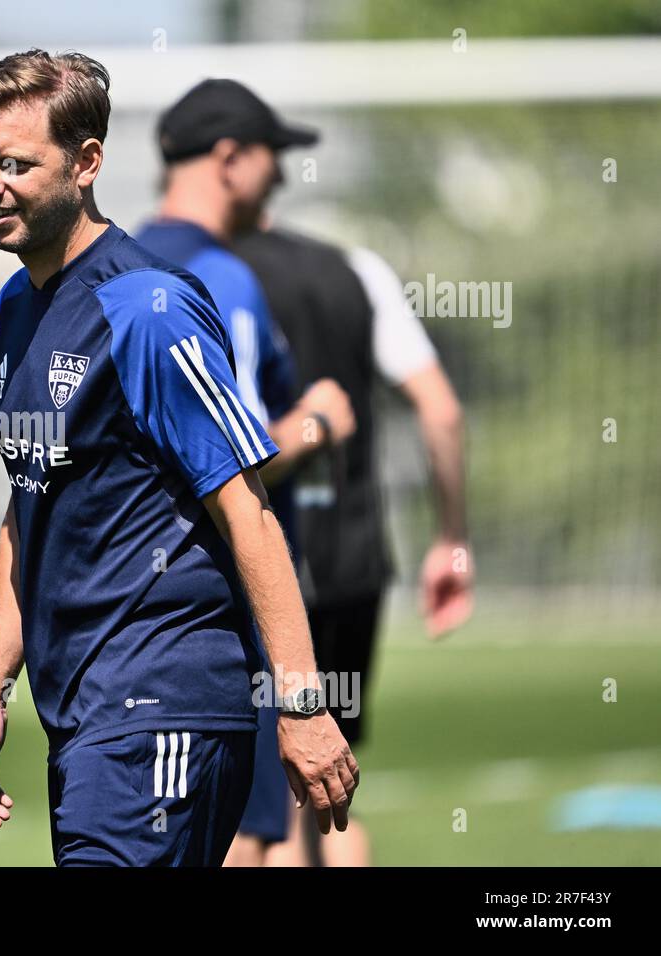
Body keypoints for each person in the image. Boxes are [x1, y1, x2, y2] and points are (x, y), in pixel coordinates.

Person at [0, 49, 357, 867]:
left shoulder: (148, 307)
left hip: (163, 702)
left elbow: (246, 508)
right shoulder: (15, 305)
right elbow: (28, 504)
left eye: (14, 163)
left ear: (86, 162)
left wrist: (304, 705)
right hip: (86, 717)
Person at [180, 79, 469, 866]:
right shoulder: (356, 270)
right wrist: (453, 540)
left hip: (246, 564)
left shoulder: (181, 280)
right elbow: (440, 410)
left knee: (246, 810)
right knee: (331, 790)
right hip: (348, 564)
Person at [134, 81, 357, 865]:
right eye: (272, 157)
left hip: (126, 621)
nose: (281, 179)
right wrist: (320, 421)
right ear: (230, 158)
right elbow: (234, 452)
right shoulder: (218, 280)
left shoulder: (114, 265)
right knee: (244, 843)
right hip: (225, 615)